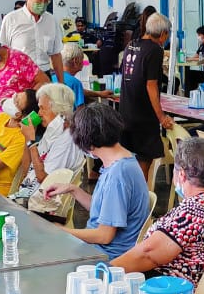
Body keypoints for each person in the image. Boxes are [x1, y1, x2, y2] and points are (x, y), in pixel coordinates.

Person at [114, 137, 204, 283]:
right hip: (187, 285)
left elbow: (147, 254)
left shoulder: (193, 213)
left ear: (181, 174)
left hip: (172, 292)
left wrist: (106, 271)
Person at [46, 104, 151, 259]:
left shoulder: (117, 175)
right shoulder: (122, 160)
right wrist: (72, 189)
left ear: (89, 144)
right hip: (101, 248)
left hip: (108, 256)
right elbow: (105, 212)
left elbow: (104, 235)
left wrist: (61, 231)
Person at [13, 82, 83, 218]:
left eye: (42, 108)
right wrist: (26, 138)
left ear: (58, 109)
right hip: (28, 195)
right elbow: (28, 170)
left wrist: (31, 141)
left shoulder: (67, 139)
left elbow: (44, 180)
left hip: (43, 207)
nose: (38, 113)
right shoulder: (53, 131)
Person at [118, 11, 173, 182]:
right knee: (144, 160)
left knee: (129, 159)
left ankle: (130, 197)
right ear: (163, 33)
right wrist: (161, 116)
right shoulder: (155, 50)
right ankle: (140, 201)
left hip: (126, 110)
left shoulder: (131, 45)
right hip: (143, 114)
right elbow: (151, 86)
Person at [0, 0, 64, 81]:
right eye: (39, 0)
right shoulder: (11, 19)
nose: (43, 4)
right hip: (19, 76)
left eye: (46, 0)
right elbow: (2, 53)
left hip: (44, 75)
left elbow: (56, 55)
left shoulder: (51, 21)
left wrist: (61, 83)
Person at [56, 43, 87, 107]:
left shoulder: (53, 77)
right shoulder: (75, 83)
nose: (83, 62)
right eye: (82, 59)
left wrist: (99, 94)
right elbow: (80, 113)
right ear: (75, 61)